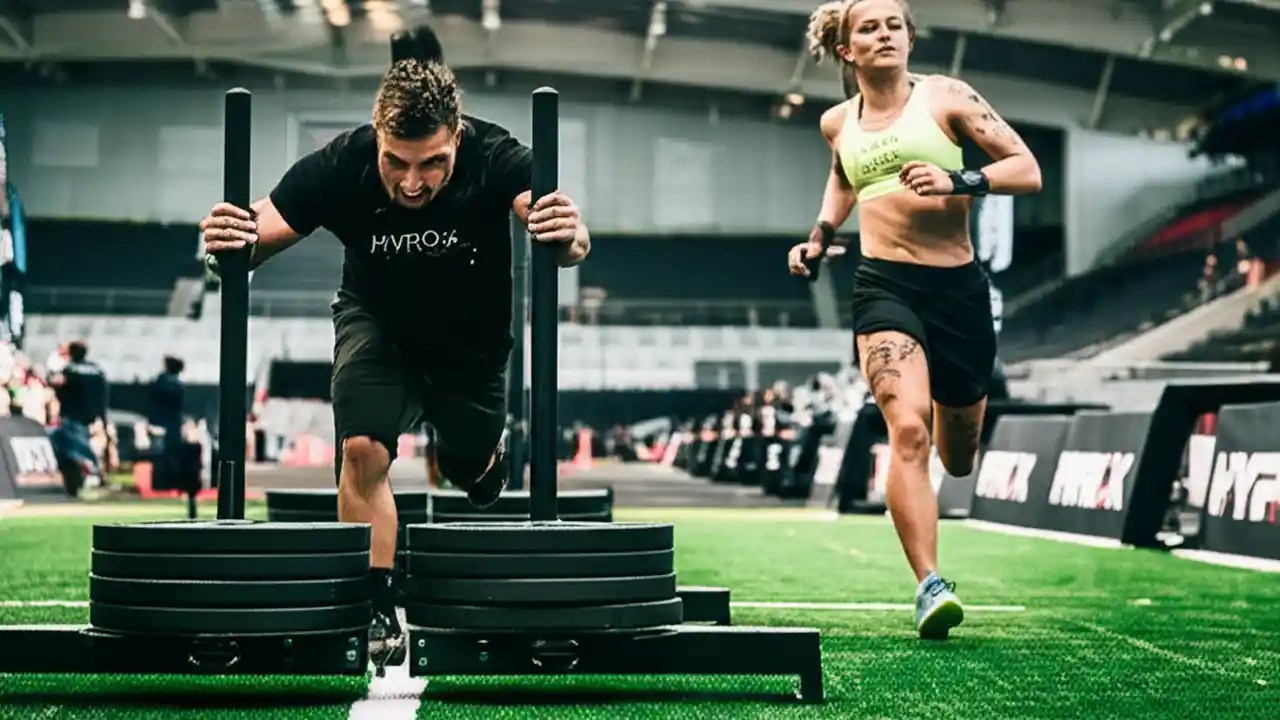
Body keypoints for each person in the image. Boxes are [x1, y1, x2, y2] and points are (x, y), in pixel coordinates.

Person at [198, 57, 591, 668]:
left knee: (470, 474)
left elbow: (568, 238)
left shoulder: (496, 155)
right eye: (396, 162)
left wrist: (568, 234)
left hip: (472, 344)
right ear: (377, 137)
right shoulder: (341, 163)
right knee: (362, 449)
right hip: (379, 327)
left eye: (432, 163)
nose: (412, 182)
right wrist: (222, 245)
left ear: (456, 138)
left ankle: (477, 457)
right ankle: (376, 607)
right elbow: (252, 236)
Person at [789, 0, 1042, 639]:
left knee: (957, 455)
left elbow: (1026, 169)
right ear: (847, 50)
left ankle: (947, 422)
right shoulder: (836, 121)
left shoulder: (947, 99)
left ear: (907, 37)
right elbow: (844, 179)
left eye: (893, 25)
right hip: (883, 287)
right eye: (868, 28)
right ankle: (930, 584)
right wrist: (819, 235)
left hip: (956, 289)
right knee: (907, 432)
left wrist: (958, 180)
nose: (884, 34)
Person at [48, 340, 109, 496]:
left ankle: (93, 473)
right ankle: (80, 482)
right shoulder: (97, 370)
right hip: (92, 418)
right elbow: (103, 395)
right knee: (74, 447)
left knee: (72, 450)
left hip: (73, 417)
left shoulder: (70, 369)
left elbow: (55, 382)